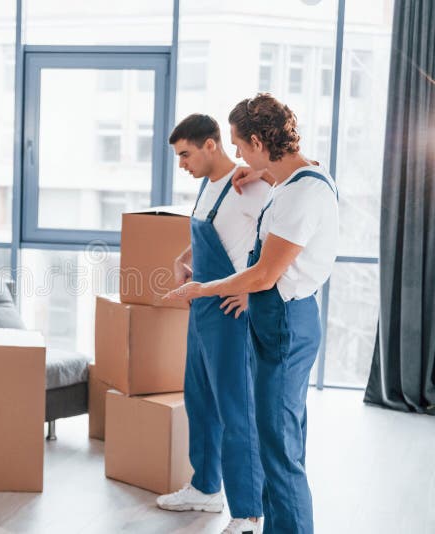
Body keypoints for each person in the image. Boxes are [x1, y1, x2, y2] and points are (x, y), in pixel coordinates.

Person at [165, 94, 339, 534]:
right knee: (272, 436)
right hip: (271, 315)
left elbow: (263, 273)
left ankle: (260, 519)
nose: (236, 153)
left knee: (276, 446)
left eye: (241, 145)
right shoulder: (293, 180)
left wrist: (207, 288)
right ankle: (251, 512)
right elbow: (293, 172)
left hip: (277, 317)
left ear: (260, 141)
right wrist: (260, 169)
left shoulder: (298, 194)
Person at [156, 114, 269, 534]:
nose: (182, 163)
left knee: (236, 411)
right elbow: (211, 228)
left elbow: (275, 239)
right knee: (199, 400)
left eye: (185, 154)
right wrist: (184, 258)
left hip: (230, 315)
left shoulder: (251, 186)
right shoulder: (209, 185)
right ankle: (205, 488)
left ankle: (248, 512)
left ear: (211, 145)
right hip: (201, 309)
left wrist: (252, 290)